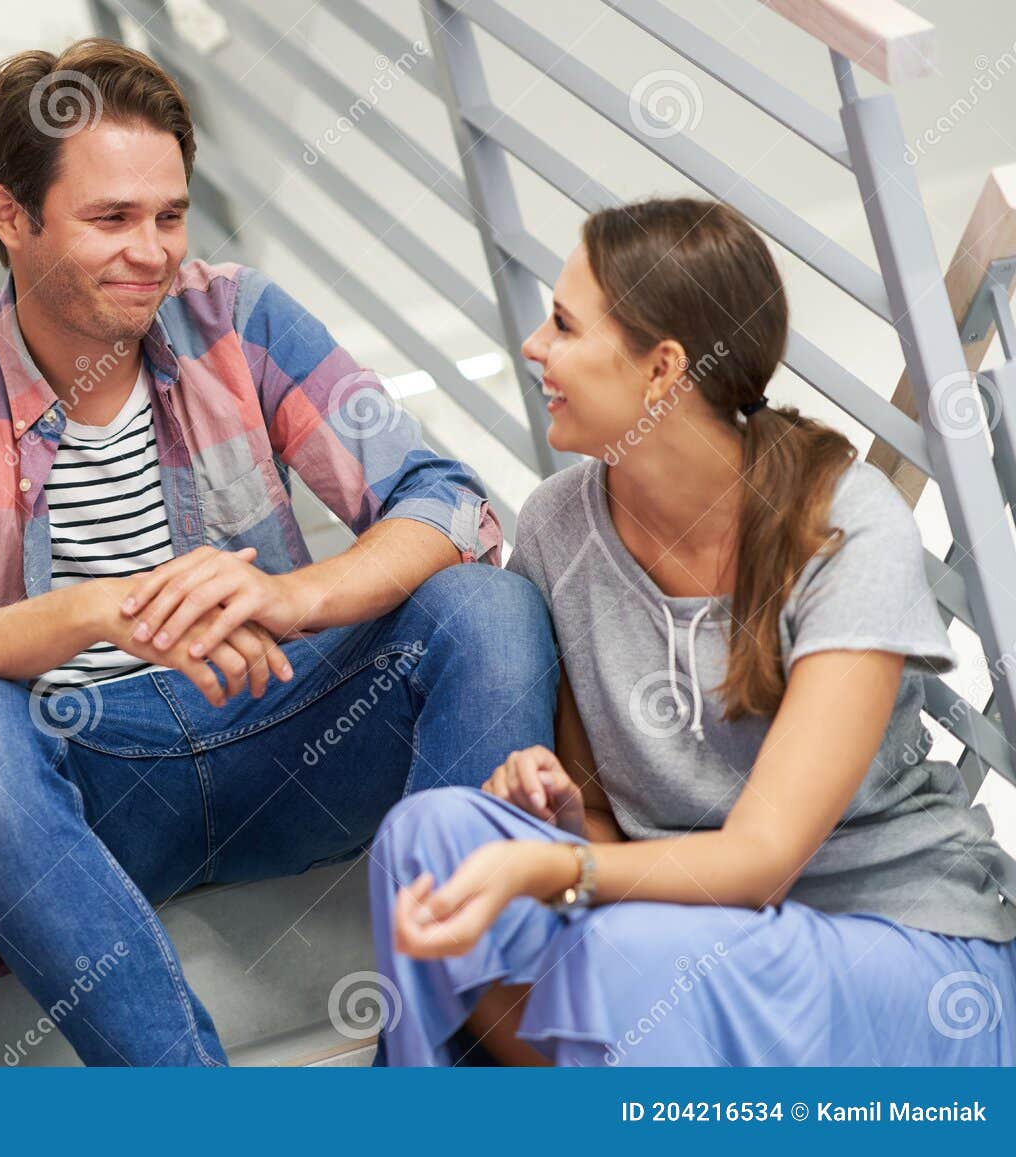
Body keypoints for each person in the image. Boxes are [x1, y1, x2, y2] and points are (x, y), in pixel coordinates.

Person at [0, 39, 555, 1066]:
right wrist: (96, 611)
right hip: (91, 781)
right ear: (10, 216)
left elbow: (446, 502)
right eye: (111, 219)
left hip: (287, 729)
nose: (153, 251)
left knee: (490, 608)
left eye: (168, 215)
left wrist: (296, 600)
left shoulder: (239, 316)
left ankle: (429, 1079)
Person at [371, 197, 1016, 1066]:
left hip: (890, 942)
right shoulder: (560, 526)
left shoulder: (843, 525)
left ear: (662, 368)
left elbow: (760, 862)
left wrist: (552, 870)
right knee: (428, 841)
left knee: (636, 960)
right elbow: (601, 823)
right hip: (680, 937)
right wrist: (565, 815)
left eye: (563, 324)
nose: (533, 346)